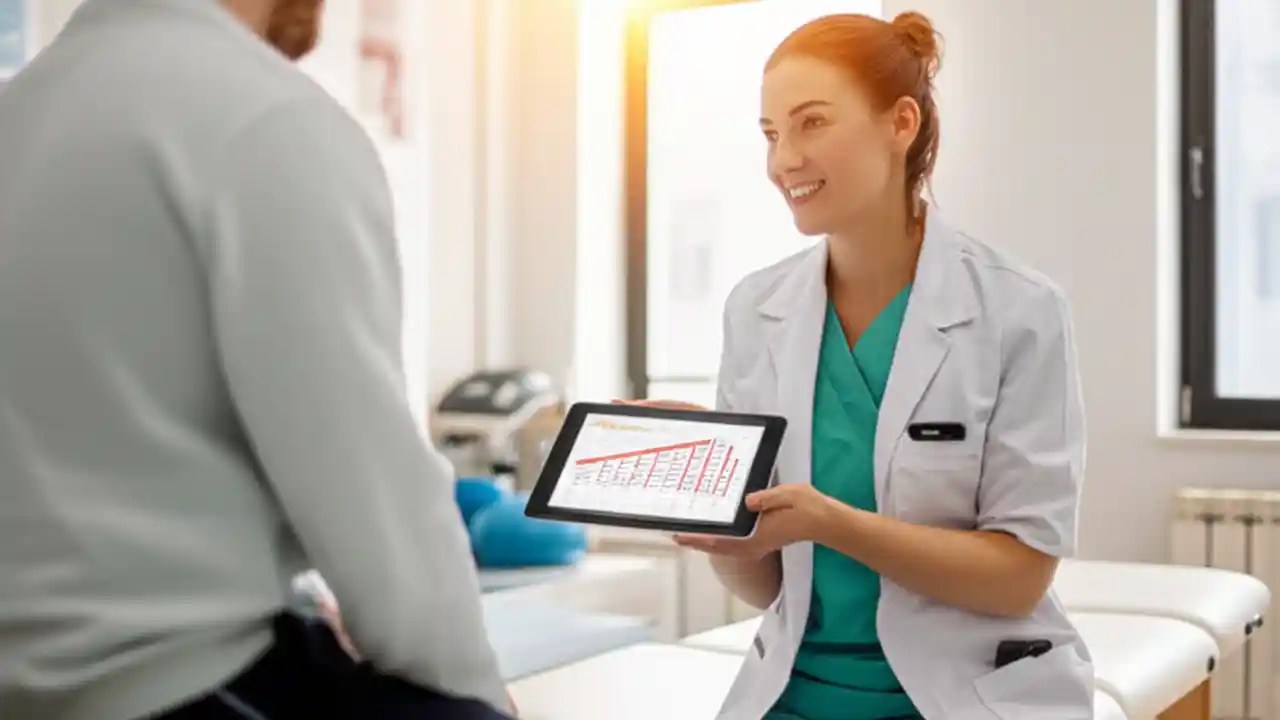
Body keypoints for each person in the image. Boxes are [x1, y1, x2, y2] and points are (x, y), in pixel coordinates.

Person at [0, 1, 514, 718]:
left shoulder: (22, 107)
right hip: (172, 685)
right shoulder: (265, 118)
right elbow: (377, 504)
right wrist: (481, 699)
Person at [632, 12, 1094, 719]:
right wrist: (721, 512)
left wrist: (829, 521)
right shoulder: (756, 311)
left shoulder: (1019, 310)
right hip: (794, 691)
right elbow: (766, 588)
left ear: (901, 123)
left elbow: (1018, 578)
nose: (783, 160)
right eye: (770, 134)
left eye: (812, 123)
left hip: (958, 695)